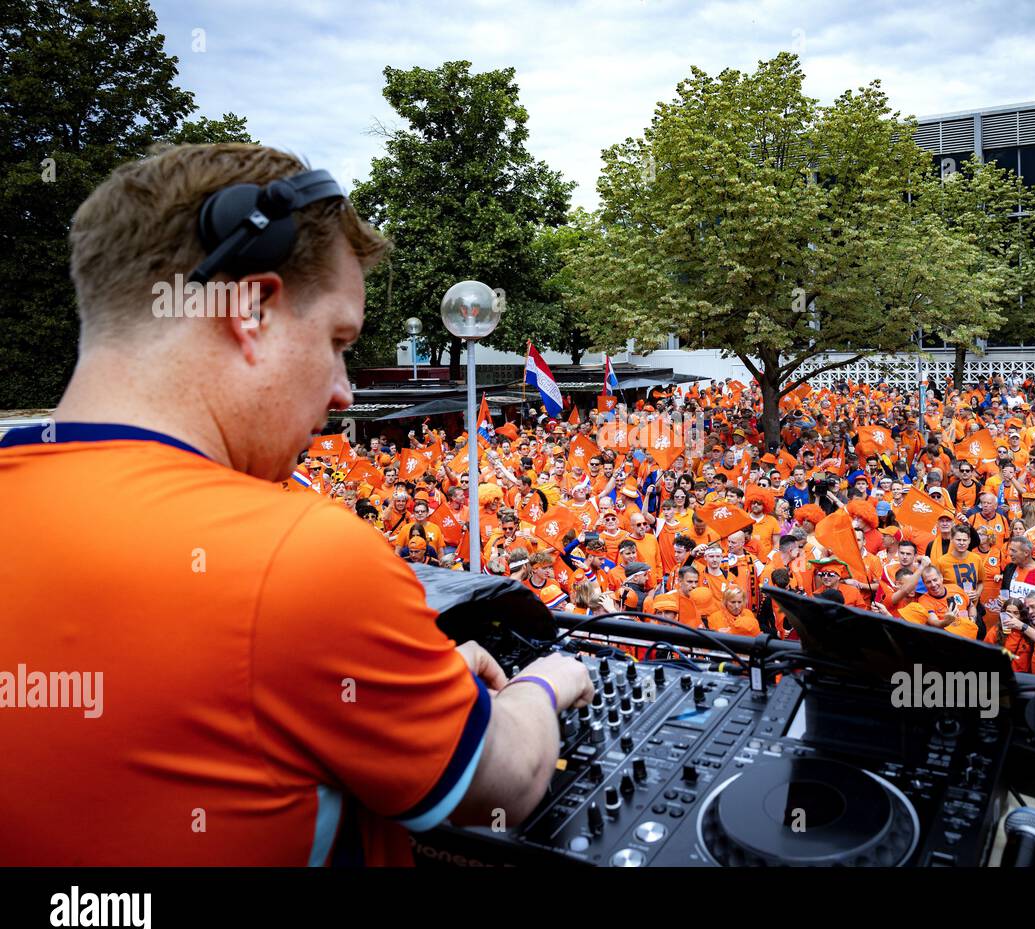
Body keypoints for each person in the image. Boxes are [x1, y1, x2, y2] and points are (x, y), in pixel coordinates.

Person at [0, 144, 593, 864]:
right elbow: (505, 783)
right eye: (338, 340)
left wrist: (408, 693)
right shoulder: (301, 555)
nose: (344, 390)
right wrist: (546, 681)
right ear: (249, 312)